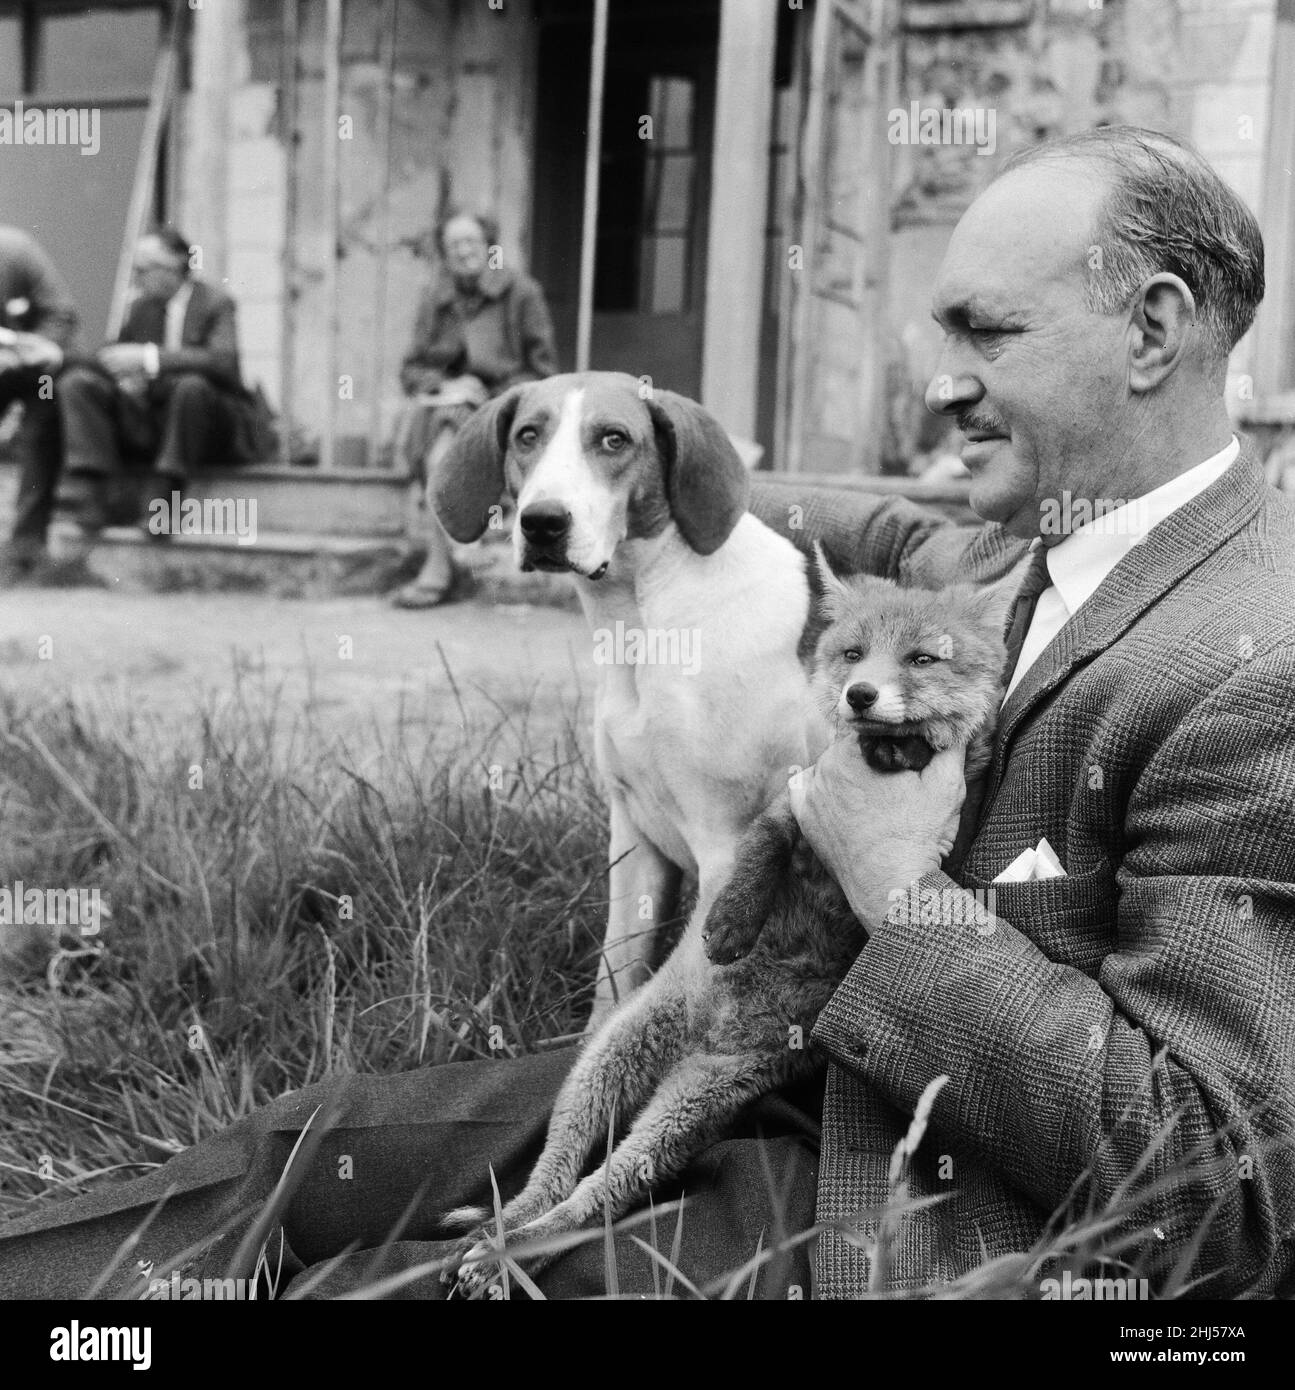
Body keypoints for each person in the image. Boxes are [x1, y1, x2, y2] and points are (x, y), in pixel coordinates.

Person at [1, 126, 1292, 1301]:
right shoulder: (1017, 547)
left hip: (901, 1184)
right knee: (303, 1144)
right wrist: (618, 458)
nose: (938, 380)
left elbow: (1220, 1186)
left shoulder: (1250, 663)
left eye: (983, 335)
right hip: (754, 1030)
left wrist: (900, 883)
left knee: (397, 1285)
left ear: (1150, 331)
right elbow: (865, 523)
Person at [391, 210, 558, 608]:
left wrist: (488, 391)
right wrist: (447, 384)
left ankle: (441, 563)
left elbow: (544, 371)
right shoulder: (437, 299)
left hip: (504, 406)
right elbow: (411, 368)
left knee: (445, 448)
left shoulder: (522, 293)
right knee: (440, 442)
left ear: (488, 246)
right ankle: (454, 552)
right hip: (445, 408)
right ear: (445, 255)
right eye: (453, 246)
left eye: (471, 243)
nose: (463, 252)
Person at [55, 228, 260, 535]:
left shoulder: (215, 302)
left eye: (142, 270)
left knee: (192, 385)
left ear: (173, 268)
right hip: (156, 419)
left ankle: (165, 497)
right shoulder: (141, 309)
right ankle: (93, 492)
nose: (136, 278)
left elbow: (223, 362)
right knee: (78, 383)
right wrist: (62, 357)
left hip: (208, 423)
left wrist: (150, 358)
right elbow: (114, 357)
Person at [0, 225, 77, 579]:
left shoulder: (15, 250)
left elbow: (61, 313)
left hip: (36, 369)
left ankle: (25, 551)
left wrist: (32, 348)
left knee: (38, 434)